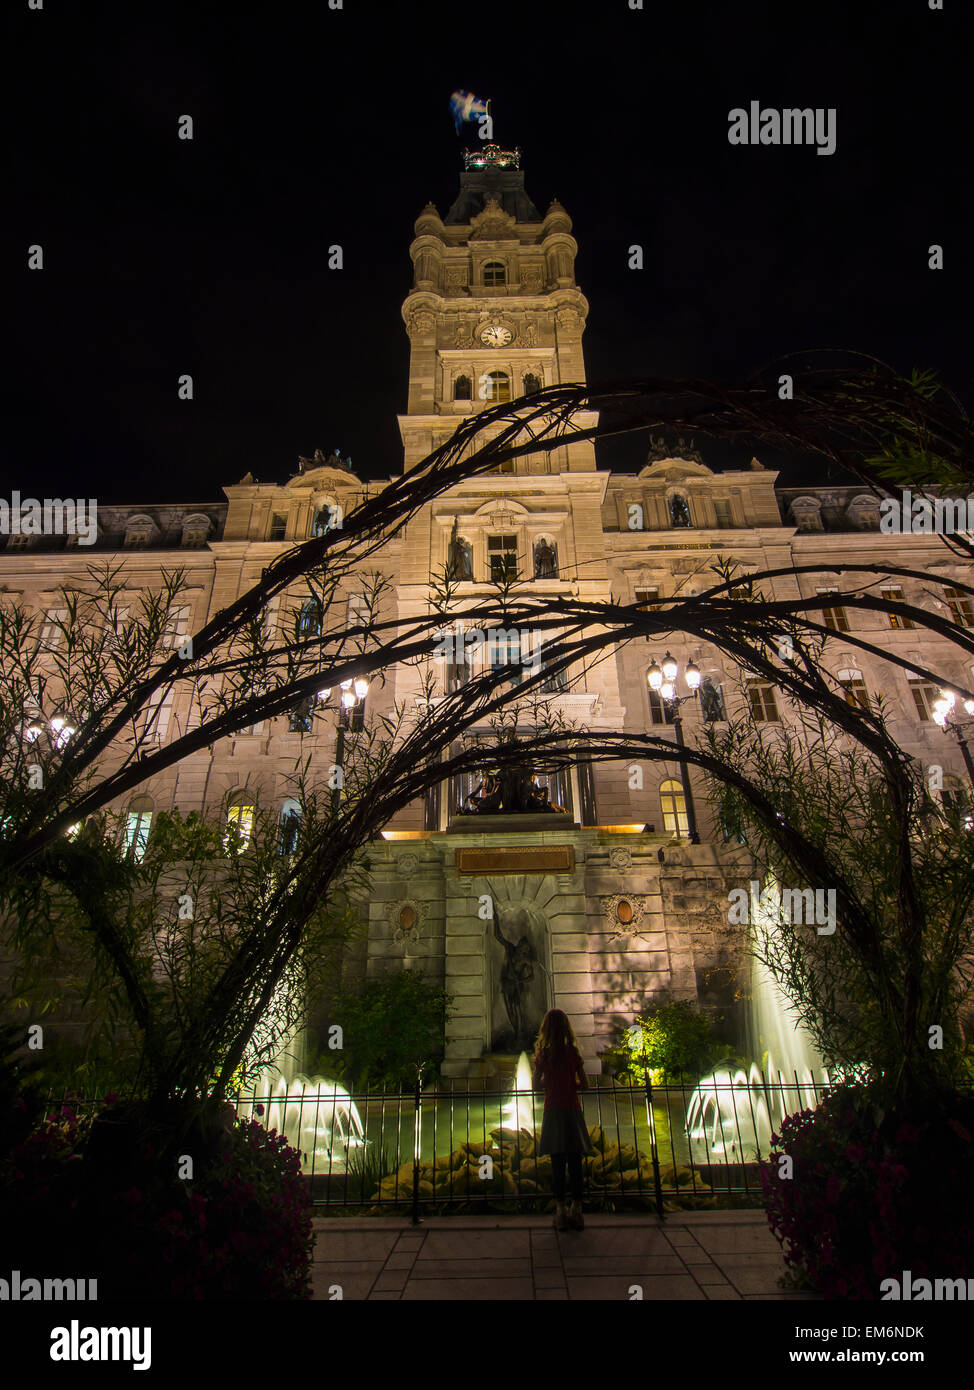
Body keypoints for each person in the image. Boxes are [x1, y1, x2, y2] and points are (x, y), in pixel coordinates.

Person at [532, 1009, 593, 1230]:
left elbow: (535, 1085)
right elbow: (585, 1084)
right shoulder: (573, 1053)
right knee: (576, 1163)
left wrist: (551, 1085)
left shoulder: (544, 1055)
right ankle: (577, 1210)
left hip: (553, 1111)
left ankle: (559, 1211)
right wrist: (570, 1085)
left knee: (557, 1164)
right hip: (572, 1111)